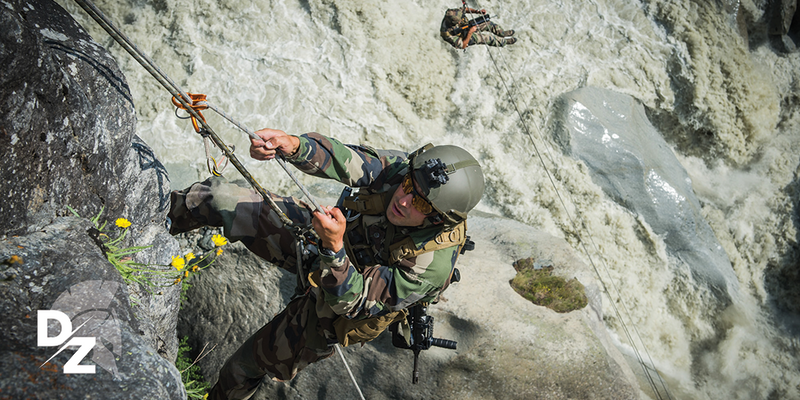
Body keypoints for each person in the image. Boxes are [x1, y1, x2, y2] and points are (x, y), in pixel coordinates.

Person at [167, 129, 485, 399]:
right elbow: (347, 160)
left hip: (335, 307)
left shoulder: (431, 265)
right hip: (326, 241)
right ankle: (149, 222)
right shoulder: (411, 172)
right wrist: (293, 146)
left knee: (241, 368)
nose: (402, 199)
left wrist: (333, 249)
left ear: (438, 218)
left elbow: (355, 303)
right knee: (216, 197)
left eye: (418, 202)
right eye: (407, 187)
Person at [440, 6, 516, 49]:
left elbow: (465, 9)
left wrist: (477, 11)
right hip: (465, 38)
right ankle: (504, 42)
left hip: (466, 26)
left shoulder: (453, 13)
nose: (460, 21)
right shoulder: (447, 34)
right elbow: (463, 45)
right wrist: (470, 32)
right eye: (458, 21)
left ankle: (502, 33)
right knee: (487, 38)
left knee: (488, 23)